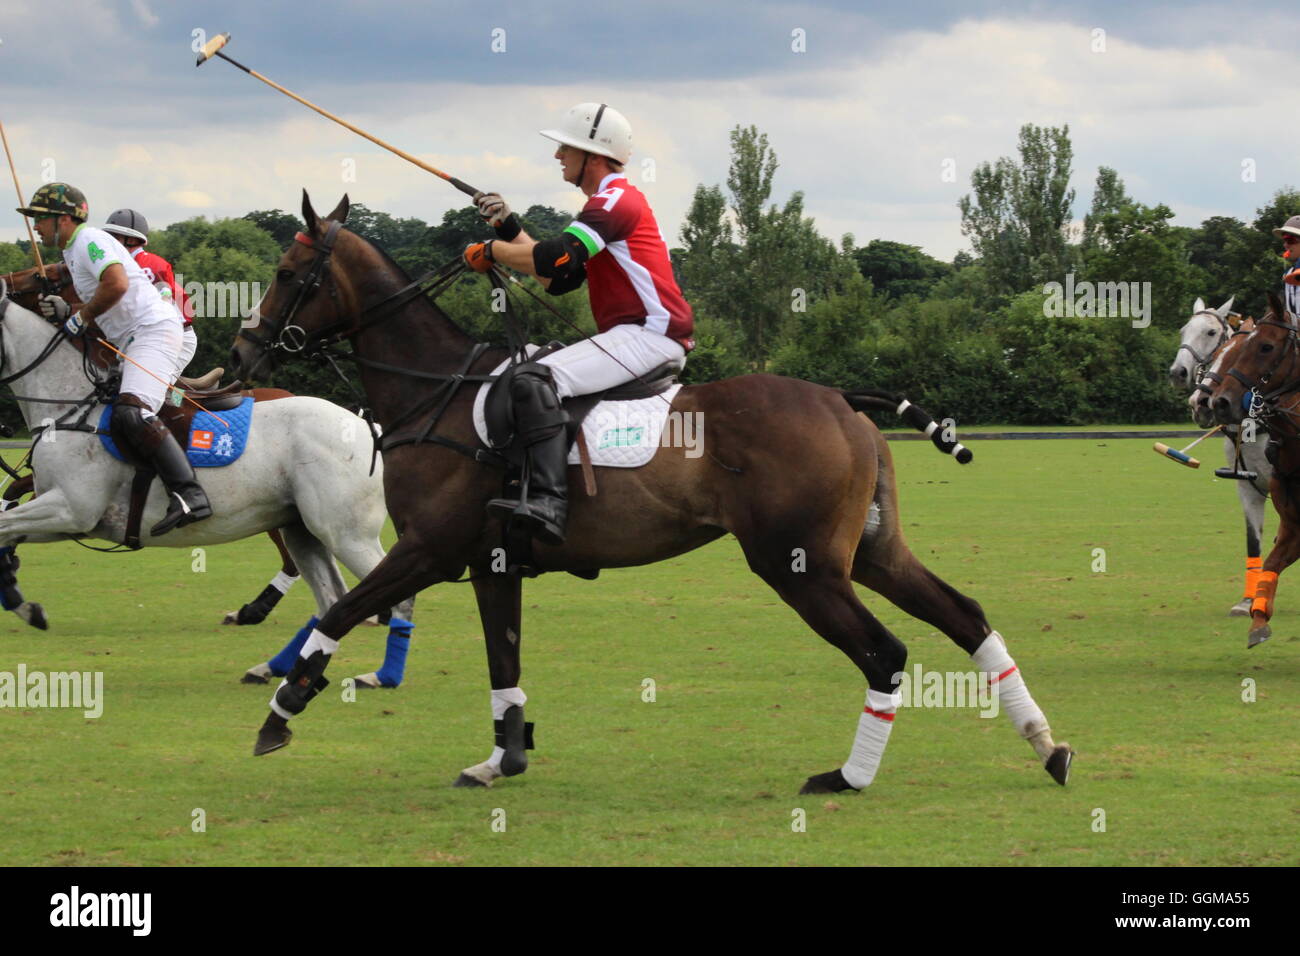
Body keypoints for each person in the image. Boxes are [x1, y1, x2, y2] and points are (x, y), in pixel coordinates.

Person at [463, 102, 695, 545]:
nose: (558, 157)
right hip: (637, 334)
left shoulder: (616, 199)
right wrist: (508, 227)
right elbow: (557, 277)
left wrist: (492, 251)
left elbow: (555, 256)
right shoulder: (608, 202)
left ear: (593, 154)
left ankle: (549, 502)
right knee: (535, 377)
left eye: (566, 148)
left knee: (532, 379)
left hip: (650, 334)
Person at [18, 182, 212, 536]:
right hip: (132, 337)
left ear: (62, 219)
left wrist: (82, 318)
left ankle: (190, 494)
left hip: (153, 330)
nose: (35, 227)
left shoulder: (90, 240)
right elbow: (114, 295)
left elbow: (117, 284)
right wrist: (67, 309)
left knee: (132, 411)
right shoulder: (73, 251)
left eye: (40, 219)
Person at [101, 208, 200, 375]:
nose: (109, 243)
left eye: (114, 237)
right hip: (145, 336)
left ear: (131, 240)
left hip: (175, 339)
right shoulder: (119, 265)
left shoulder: (150, 265)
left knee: (144, 391)